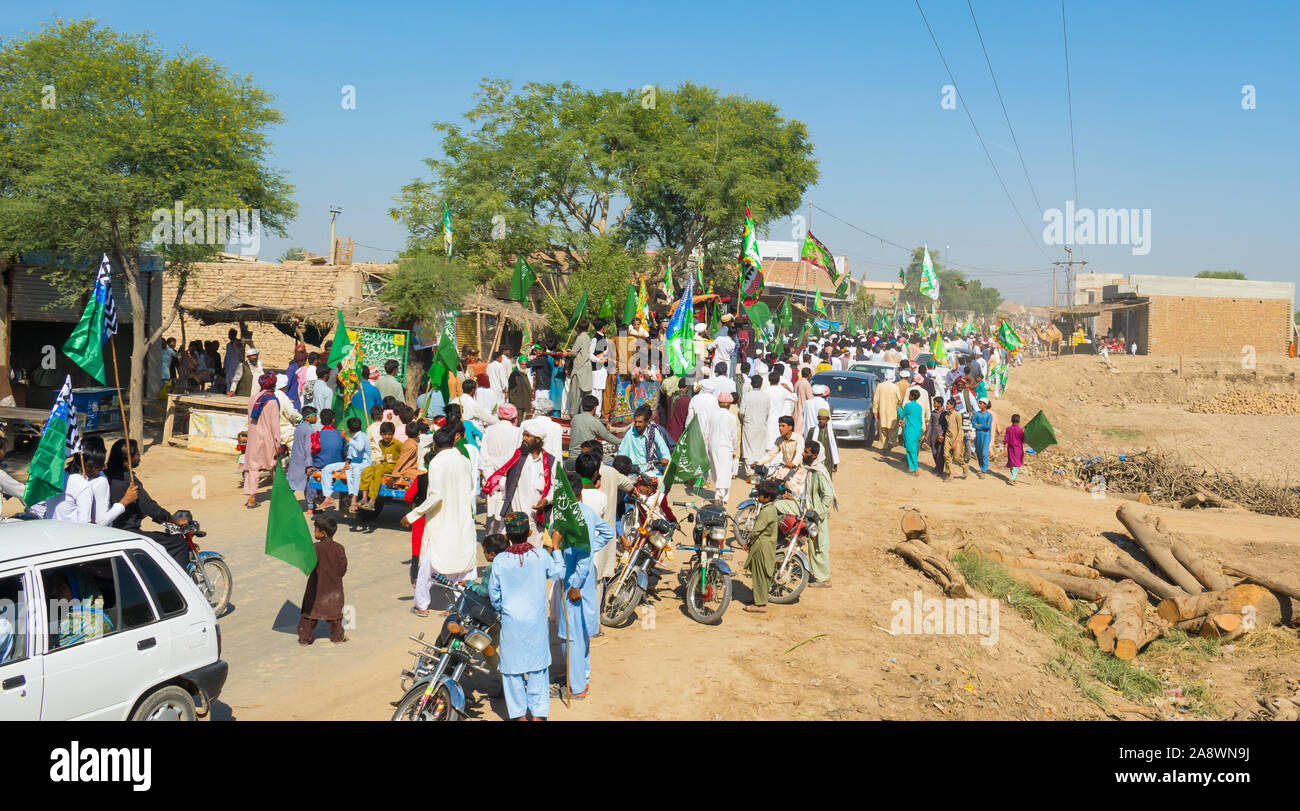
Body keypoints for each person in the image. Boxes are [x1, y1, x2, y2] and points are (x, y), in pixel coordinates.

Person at [488, 511, 567, 720]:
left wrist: (502, 609)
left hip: (512, 624)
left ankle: (520, 717)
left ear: (507, 536)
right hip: (536, 625)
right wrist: (557, 548)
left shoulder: (500, 561)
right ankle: (539, 716)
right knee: (538, 670)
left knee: (512, 671)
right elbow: (559, 573)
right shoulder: (541, 556)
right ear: (530, 532)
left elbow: (494, 595)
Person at [549, 470, 615, 699]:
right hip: (577, 578)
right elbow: (607, 533)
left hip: (574, 580)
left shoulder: (574, 516)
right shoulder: (585, 511)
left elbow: (584, 554)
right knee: (581, 633)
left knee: (571, 636)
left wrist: (575, 582)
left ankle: (576, 688)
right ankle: (580, 677)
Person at [403, 428, 477, 616]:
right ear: (453, 441)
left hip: (441, 520)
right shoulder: (465, 461)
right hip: (461, 518)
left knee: (429, 563)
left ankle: (422, 605)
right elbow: (469, 486)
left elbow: (435, 496)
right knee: (461, 563)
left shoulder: (436, 463)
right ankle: (461, 607)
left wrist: (412, 516)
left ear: (435, 444)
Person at [482, 418, 557, 547]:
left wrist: (546, 500)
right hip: (513, 520)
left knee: (533, 555)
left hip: (534, 520)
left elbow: (555, 487)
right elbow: (490, 464)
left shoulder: (550, 461)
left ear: (538, 440)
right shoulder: (516, 456)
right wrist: (502, 483)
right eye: (523, 435)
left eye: (528, 436)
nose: (524, 438)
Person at [742, 479, 780, 613]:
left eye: (760, 495)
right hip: (767, 546)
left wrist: (748, 543)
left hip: (761, 547)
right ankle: (758, 599)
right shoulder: (772, 509)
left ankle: (760, 604)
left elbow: (756, 531)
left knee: (760, 575)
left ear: (768, 497)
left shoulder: (766, 512)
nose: (758, 497)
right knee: (762, 575)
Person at [802, 439, 836, 588]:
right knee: (813, 545)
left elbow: (828, 495)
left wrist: (818, 513)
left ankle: (824, 579)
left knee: (819, 546)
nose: (803, 454)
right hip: (811, 515)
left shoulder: (819, 473)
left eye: (806, 452)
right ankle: (818, 575)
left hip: (817, 517)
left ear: (815, 455)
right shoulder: (812, 471)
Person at [243, 373, 280, 507]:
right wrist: (277, 443)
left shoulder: (253, 399)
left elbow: (250, 419)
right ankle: (279, 493)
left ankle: (251, 497)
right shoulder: (272, 401)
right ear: (273, 384)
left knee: (253, 468)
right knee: (274, 465)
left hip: (253, 437)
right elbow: (274, 425)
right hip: (267, 438)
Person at [319, 417, 371, 513]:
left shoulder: (362, 436)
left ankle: (353, 500)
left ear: (348, 429)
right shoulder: (353, 439)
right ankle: (327, 497)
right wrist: (346, 464)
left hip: (364, 464)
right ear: (361, 426)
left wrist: (346, 437)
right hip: (352, 463)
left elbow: (359, 448)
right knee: (327, 468)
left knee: (355, 471)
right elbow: (350, 455)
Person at [567, 394, 623, 469]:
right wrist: (622, 441)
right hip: (586, 459)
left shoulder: (575, 419)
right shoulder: (595, 422)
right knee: (613, 461)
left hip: (572, 455)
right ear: (595, 408)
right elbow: (609, 437)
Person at [756, 415, 806, 498]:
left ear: (790, 427)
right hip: (785, 469)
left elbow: (799, 453)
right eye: (779, 426)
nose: (780, 428)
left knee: (790, 486)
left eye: (783, 426)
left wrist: (793, 463)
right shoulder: (779, 439)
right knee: (770, 483)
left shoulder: (798, 438)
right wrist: (759, 463)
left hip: (797, 471)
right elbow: (771, 454)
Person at [616, 405, 672, 477]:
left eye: (640, 422)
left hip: (652, 469)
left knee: (660, 484)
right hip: (633, 470)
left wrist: (665, 458)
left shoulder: (654, 432)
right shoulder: (630, 433)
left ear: (647, 422)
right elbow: (622, 452)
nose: (637, 424)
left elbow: (663, 448)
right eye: (635, 422)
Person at [307, 408, 345, 512]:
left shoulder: (316, 435)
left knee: (311, 471)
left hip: (321, 465)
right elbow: (345, 452)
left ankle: (312, 505)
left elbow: (313, 453)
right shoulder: (341, 435)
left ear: (321, 421)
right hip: (338, 465)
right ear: (333, 420)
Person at [358, 421, 402, 509]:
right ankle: (364, 497)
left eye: (389, 434)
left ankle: (372, 500)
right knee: (367, 470)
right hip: (383, 464)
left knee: (378, 472)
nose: (387, 436)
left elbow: (403, 456)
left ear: (393, 434)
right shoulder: (380, 443)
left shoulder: (398, 444)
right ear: (381, 434)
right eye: (384, 434)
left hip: (392, 466)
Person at [737, 373, 770, 476]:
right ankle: (758, 471)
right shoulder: (766, 396)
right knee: (760, 449)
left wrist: (744, 419)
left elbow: (741, 412)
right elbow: (768, 413)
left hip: (749, 426)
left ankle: (750, 472)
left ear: (751, 384)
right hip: (761, 426)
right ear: (761, 384)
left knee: (748, 450)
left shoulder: (747, 396)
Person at [708, 392, 739, 502]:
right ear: (729, 404)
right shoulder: (731, 417)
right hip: (725, 447)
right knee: (724, 471)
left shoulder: (712, 414)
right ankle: (719, 495)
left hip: (712, 445)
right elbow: (734, 435)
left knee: (716, 470)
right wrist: (735, 449)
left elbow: (707, 431)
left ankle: (724, 496)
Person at [872, 367, 901, 455]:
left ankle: (884, 447)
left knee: (883, 430)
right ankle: (890, 444)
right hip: (893, 412)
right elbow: (899, 401)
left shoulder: (880, 386)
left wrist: (875, 411)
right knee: (892, 430)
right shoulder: (895, 387)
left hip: (882, 412)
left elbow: (875, 400)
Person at [766, 369, 797, 448]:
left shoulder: (765, 391)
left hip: (768, 418)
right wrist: (788, 389)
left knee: (769, 441)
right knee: (778, 440)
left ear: (769, 380)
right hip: (779, 418)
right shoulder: (782, 391)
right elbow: (795, 398)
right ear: (779, 380)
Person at [804, 408, 839, 476]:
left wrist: (835, 463)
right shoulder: (813, 431)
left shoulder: (832, 432)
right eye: (819, 419)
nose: (821, 421)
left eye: (823, 419)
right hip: (815, 461)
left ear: (828, 419)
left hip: (827, 461)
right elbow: (807, 446)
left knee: (827, 480)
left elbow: (834, 447)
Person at [567, 321, 593, 409]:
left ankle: (573, 414)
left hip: (579, 368)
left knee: (576, 394)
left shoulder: (580, 338)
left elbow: (573, 352)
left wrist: (566, 353)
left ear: (578, 329)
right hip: (586, 367)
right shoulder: (589, 338)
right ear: (588, 328)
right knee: (585, 393)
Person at [900, 389, 924, 476]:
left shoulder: (908, 406)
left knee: (911, 450)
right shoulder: (919, 407)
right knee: (912, 449)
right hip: (917, 431)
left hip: (910, 431)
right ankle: (913, 468)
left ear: (912, 396)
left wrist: (898, 408)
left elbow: (901, 415)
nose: (908, 396)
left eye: (910, 395)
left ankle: (915, 469)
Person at [942, 398, 967, 480]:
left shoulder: (957, 415)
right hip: (948, 437)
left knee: (956, 457)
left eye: (948, 404)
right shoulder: (946, 415)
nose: (946, 405)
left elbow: (960, 429)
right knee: (946, 455)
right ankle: (950, 474)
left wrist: (956, 441)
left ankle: (964, 467)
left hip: (957, 438)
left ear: (952, 406)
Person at [972, 397, 995, 478]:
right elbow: (973, 424)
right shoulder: (976, 414)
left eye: (981, 403)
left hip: (986, 436)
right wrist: (981, 426)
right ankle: (981, 467)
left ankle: (984, 470)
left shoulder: (989, 415)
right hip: (978, 435)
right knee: (978, 452)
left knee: (984, 453)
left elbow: (988, 426)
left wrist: (979, 425)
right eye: (979, 403)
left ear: (985, 405)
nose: (979, 404)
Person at [927, 396, 947, 476]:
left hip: (941, 435)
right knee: (934, 452)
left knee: (940, 453)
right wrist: (928, 433)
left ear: (939, 403)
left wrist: (943, 435)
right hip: (933, 435)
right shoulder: (933, 413)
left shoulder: (944, 413)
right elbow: (930, 425)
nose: (934, 403)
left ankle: (940, 470)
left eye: (935, 402)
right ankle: (937, 466)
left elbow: (946, 426)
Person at [1004, 413, 1025, 485]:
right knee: (1016, 464)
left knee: (1012, 463)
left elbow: (1005, 439)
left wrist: (1004, 448)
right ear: (1019, 421)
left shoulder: (1008, 429)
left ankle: (1014, 478)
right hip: (1018, 449)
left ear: (1011, 420)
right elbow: (1023, 440)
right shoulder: (1020, 430)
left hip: (1010, 448)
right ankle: (1012, 478)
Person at [223, 328, 244, 393]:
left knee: (236, 380)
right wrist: (225, 365)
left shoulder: (239, 343)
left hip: (237, 365)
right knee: (229, 381)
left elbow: (240, 354)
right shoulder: (228, 345)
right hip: (229, 366)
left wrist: (235, 346)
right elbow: (227, 356)